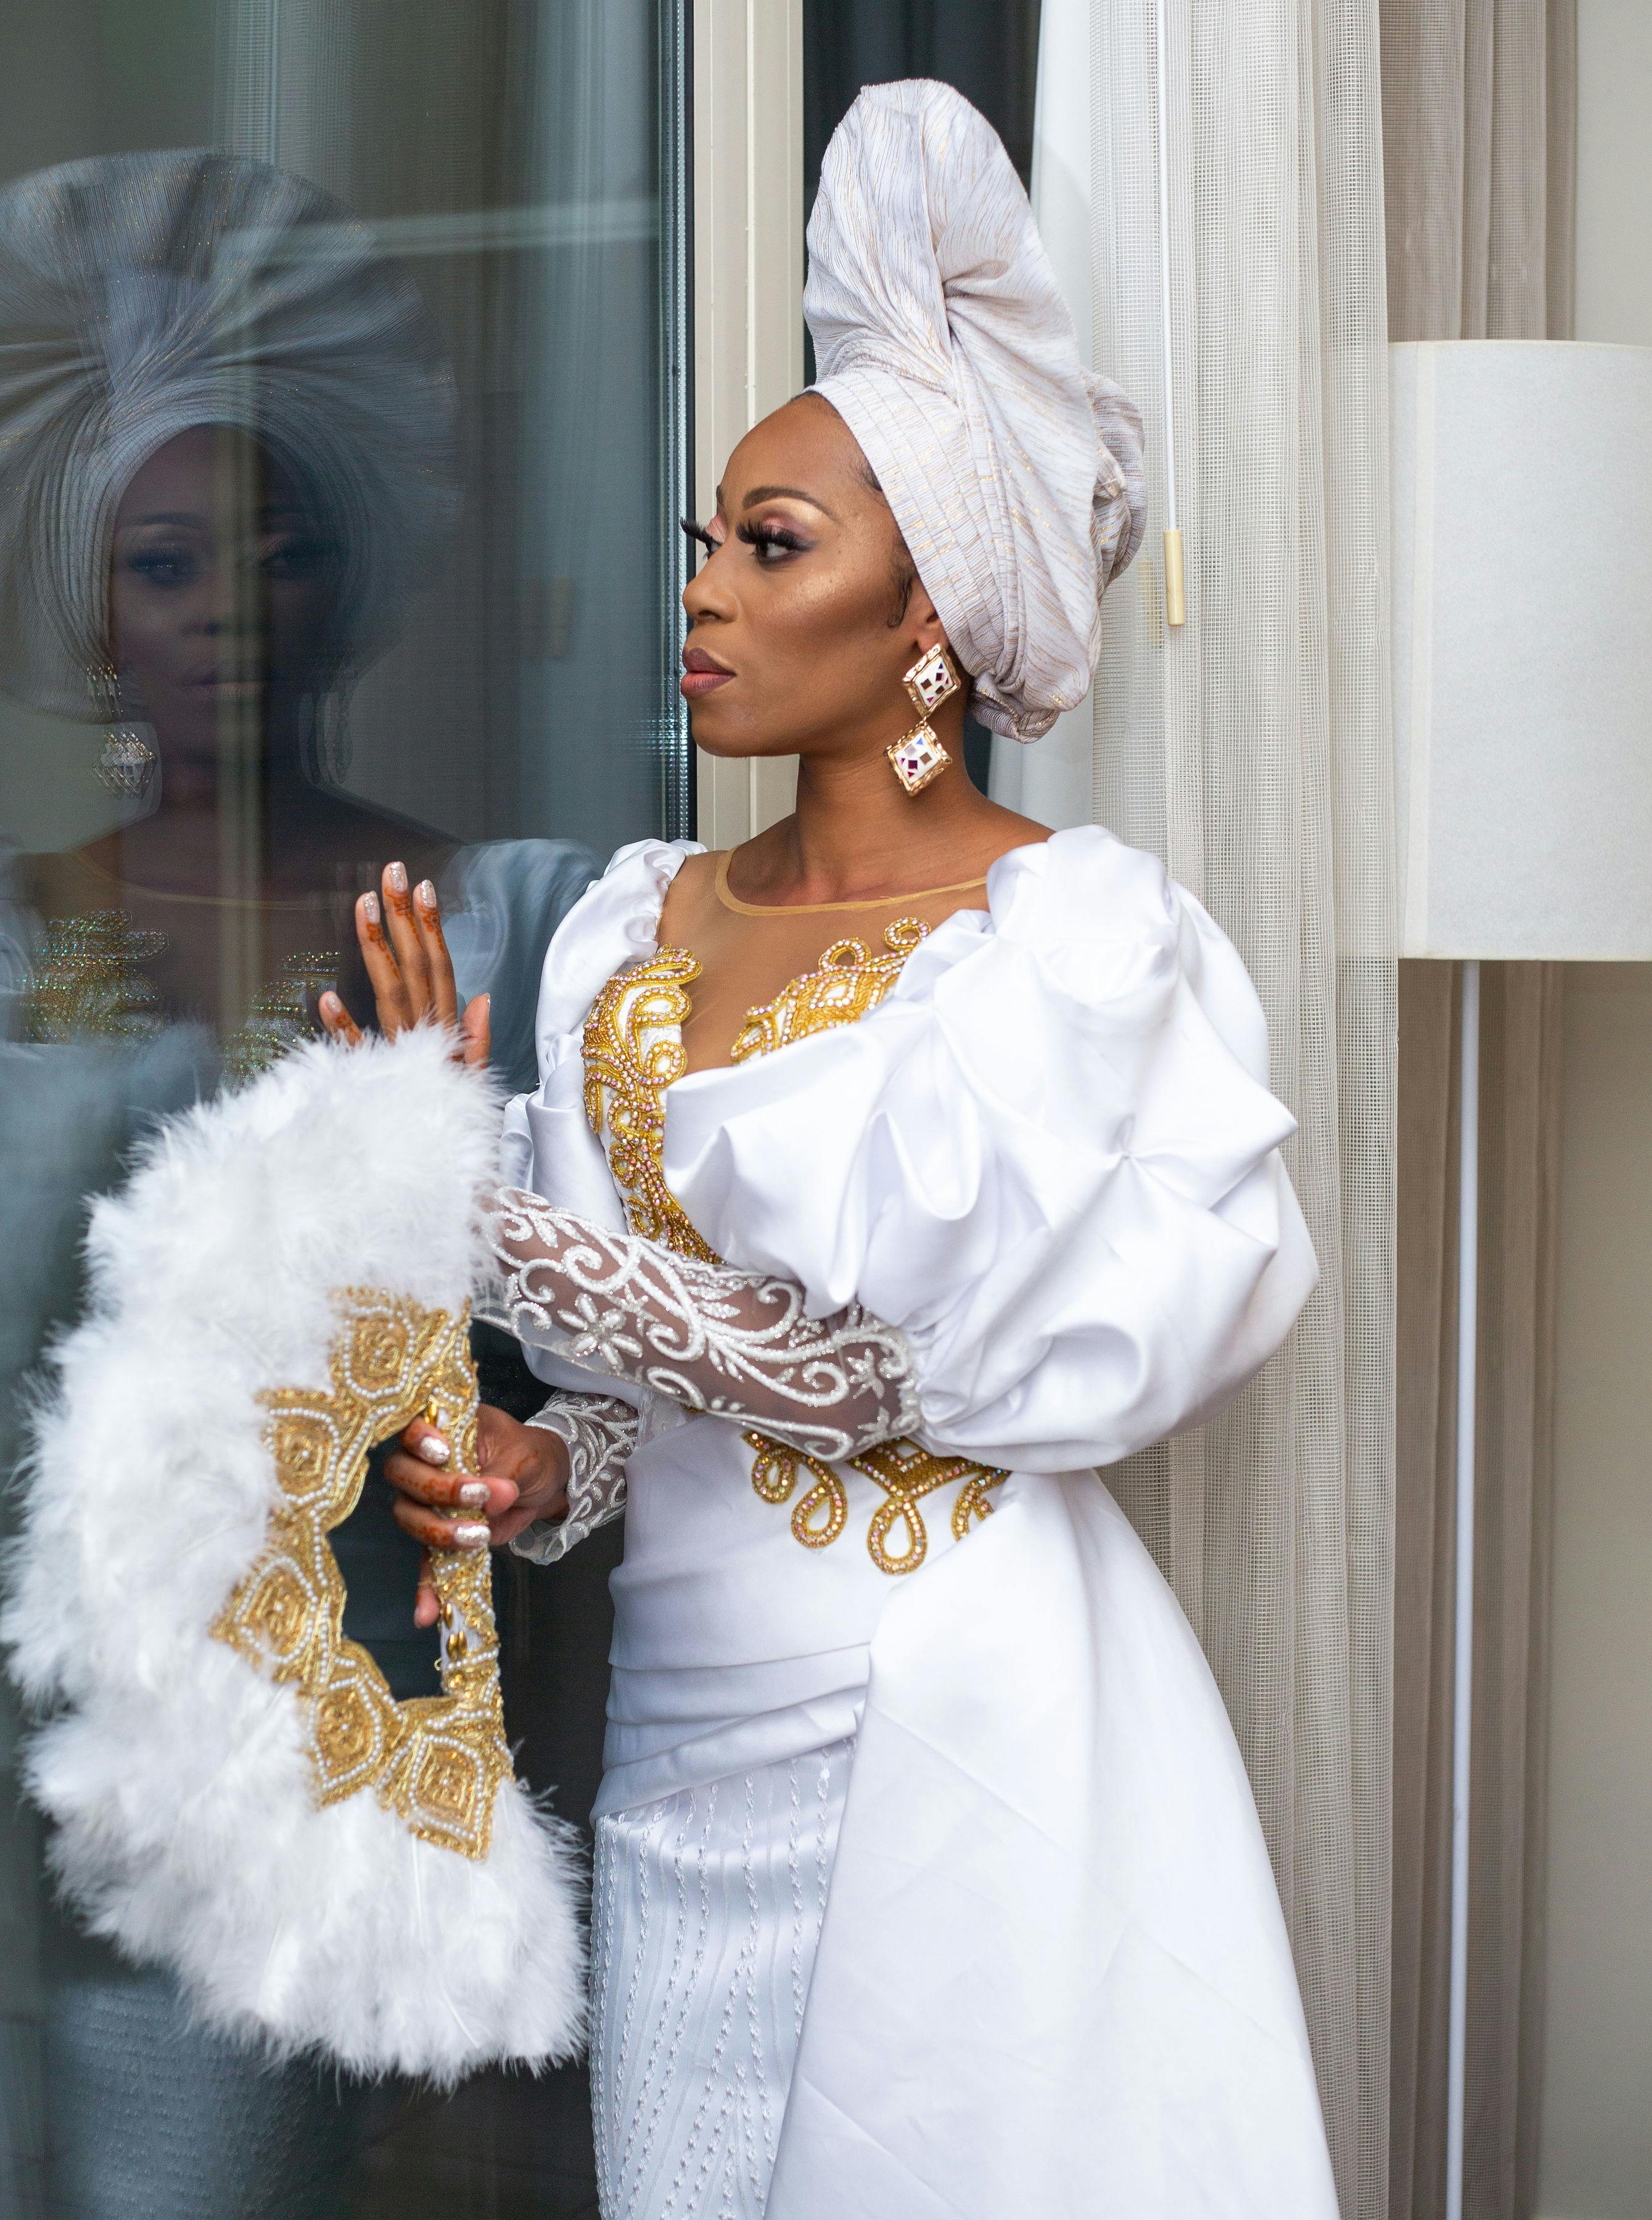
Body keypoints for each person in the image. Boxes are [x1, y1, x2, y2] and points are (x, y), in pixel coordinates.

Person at [325, 80, 1341, 2220]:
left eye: (775, 549)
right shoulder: (638, 924)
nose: (707, 590)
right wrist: (537, 1476)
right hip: (685, 1735)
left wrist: (457, 1202)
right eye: (712, 536)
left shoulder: (1063, 948)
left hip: (958, 1722)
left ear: (931, 627)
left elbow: (854, 1374)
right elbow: (652, 1404)